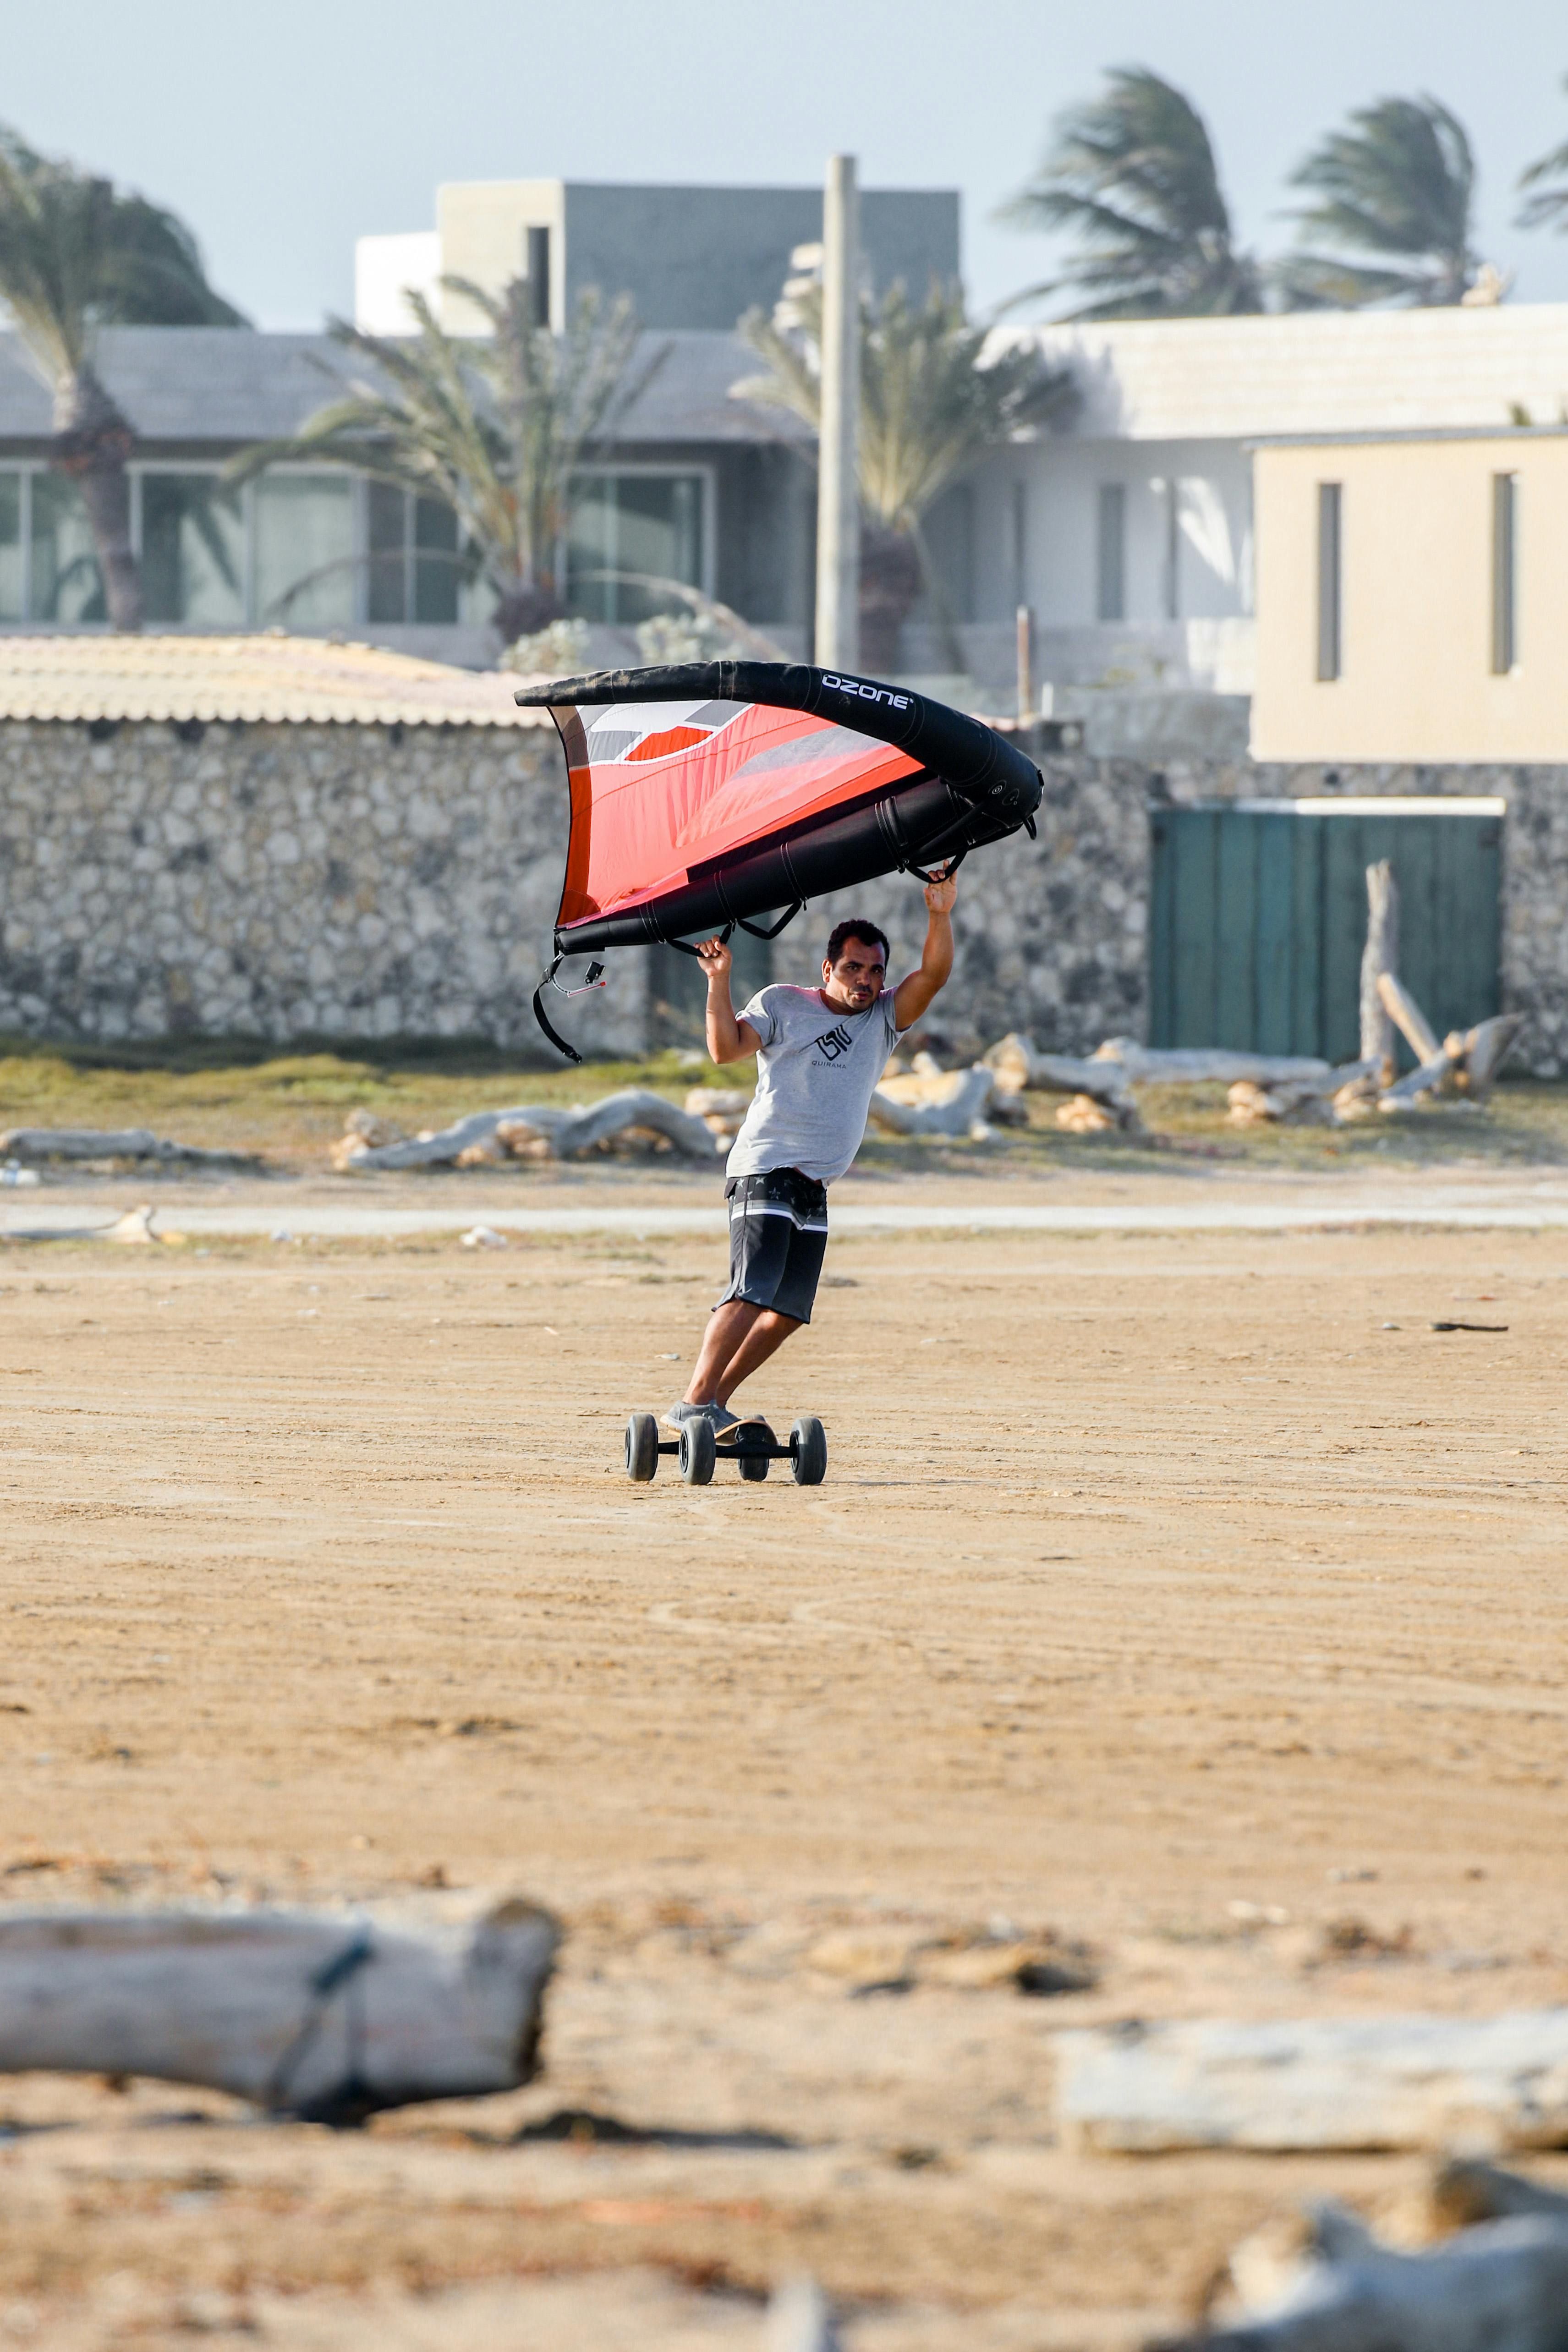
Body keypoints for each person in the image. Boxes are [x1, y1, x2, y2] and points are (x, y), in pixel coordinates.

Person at [667, 874, 959, 1432]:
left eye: (875, 970)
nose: (865, 980)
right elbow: (725, 1050)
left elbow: (935, 976)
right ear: (828, 970)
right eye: (853, 968)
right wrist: (718, 981)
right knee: (752, 1292)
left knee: (787, 1312)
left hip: (813, 1185)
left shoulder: (884, 1020)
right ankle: (693, 1400)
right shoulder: (782, 1004)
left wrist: (940, 914)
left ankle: (713, 1403)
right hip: (766, 1168)